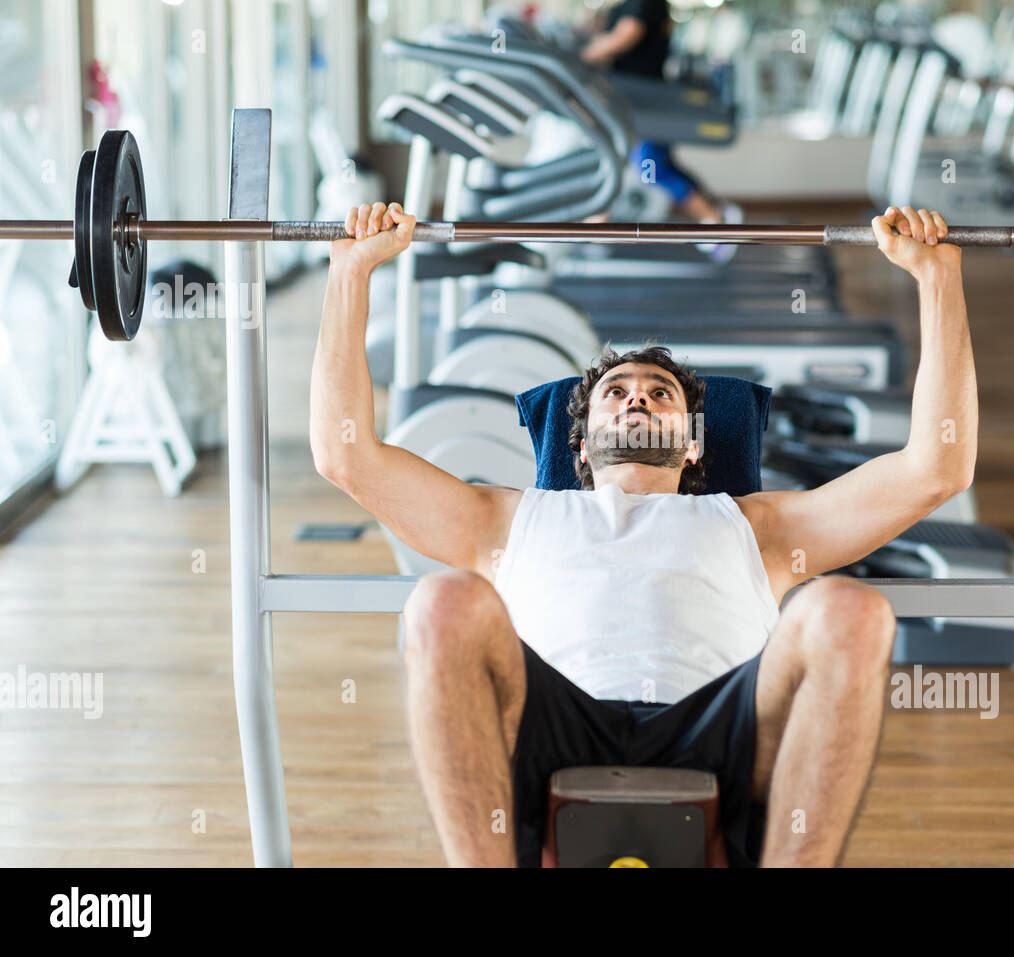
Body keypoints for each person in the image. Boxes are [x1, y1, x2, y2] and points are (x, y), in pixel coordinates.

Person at [311, 200, 976, 867]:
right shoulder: (506, 519)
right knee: (439, 601)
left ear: (692, 445)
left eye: (660, 393)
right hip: (552, 722)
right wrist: (351, 271)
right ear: (579, 446)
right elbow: (346, 456)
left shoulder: (759, 525)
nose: (637, 397)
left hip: (721, 726)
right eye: (616, 391)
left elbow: (935, 469)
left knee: (852, 610)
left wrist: (938, 277)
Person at [578, 0, 741, 257]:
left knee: (650, 167)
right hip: (634, 98)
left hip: (644, 101)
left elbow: (628, 34)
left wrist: (583, 56)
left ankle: (715, 220)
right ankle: (715, 212)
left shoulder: (642, 2)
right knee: (656, 163)